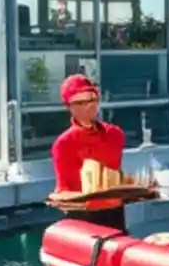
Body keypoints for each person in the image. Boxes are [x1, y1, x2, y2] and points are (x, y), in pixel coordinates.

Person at [50, 73, 127, 230]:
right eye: (80, 102)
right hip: (83, 218)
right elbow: (63, 190)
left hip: (115, 213)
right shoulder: (64, 144)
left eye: (92, 99)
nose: (89, 106)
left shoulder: (115, 135)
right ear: (69, 107)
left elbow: (115, 176)